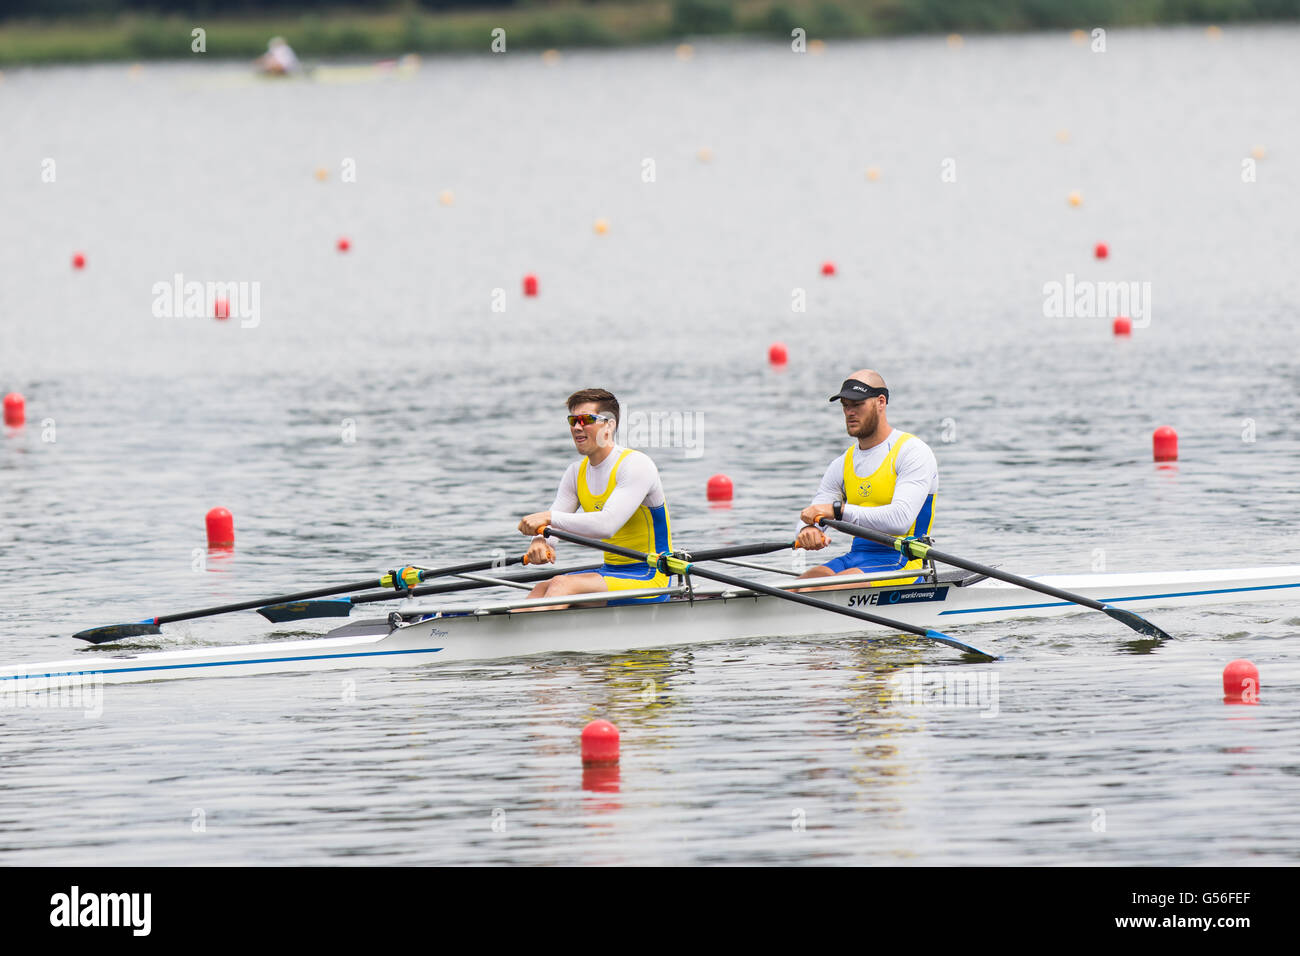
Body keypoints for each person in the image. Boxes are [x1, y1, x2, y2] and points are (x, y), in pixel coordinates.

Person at [517, 389, 673, 605]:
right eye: (573, 421)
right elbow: (554, 527)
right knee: (543, 586)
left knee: (563, 585)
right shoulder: (575, 473)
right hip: (612, 572)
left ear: (610, 425)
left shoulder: (636, 465)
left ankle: (534, 636)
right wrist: (541, 542)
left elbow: (606, 525)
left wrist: (547, 519)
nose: (577, 427)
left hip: (651, 576)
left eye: (586, 420)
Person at [795, 369, 937, 585]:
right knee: (799, 587)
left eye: (857, 404)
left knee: (823, 588)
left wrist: (837, 511)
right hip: (857, 558)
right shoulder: (842, 463)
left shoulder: (912, 452)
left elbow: (899, 520)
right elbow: (813, 512)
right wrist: (808, 530)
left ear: (881, 402)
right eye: (845, 405)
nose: (850, 412)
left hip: (905, 562)